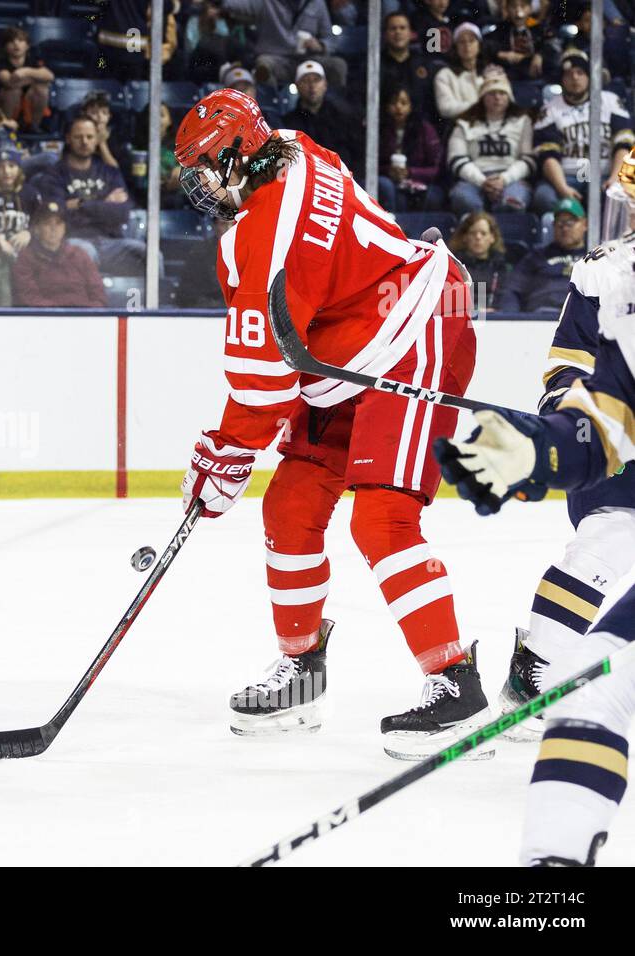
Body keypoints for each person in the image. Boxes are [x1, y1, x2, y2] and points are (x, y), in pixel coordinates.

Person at [173, 88, 484, 756]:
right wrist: (235, 449)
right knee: (289, 505)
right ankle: (302, 670)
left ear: (233, 155)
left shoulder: (265, 240)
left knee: (381, 518)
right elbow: (279, 363)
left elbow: (262, 383)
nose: (200, 184)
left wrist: (225, 457)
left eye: (204, 166)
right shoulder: (289, 146)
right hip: (348, 352)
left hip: (418, 324)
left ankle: (456, 684)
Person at [431, 162, 635, 868]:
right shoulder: (608, 281)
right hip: (620, 460)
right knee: (608, 544)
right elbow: (579, 378)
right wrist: (552, 436)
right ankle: (536, 664)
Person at [33, 115, 143, 276]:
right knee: (85, 252)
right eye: (78, 137)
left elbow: (122, 213)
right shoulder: (54, 175)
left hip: (111, 242)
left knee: (149, 255)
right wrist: (104, 203)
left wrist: (80, 205)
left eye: (89, 137)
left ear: (97, 139)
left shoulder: (109, 172)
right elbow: (58, 215)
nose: (85, 142)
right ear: (68, 139)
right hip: (74, 240)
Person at [532, 49, 634, 214]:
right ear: (562, 79)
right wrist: (562, 188)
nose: (575, 78)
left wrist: (615, 178)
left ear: (589, 76)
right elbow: (547, 155)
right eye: (569, 74)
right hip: (568, 175)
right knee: (544, 197)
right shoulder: (550, 109)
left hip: (606, 172)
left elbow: (624, 142)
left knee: (624, 193)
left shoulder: (609, 100)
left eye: (580, 73)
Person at [447, 71, 535, 215]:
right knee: (463, 199)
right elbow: (455, 159)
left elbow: (529, 160)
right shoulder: (464, 124)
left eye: (502, 93)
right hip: (474, 179)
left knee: (513, 202)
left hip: (511, 178)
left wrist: (504, 179)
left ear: (509, 97)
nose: (497, 98)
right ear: (482, 97)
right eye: (491, 93)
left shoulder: (523, 122)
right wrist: (482, 181)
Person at [221, 0, 345, 88]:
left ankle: (330, 106)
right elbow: (234, 4)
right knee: (263, 64)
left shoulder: (316, 3)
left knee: (338, 65)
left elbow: (330, 38)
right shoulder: (267, 2)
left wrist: (320, 45)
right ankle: (269, 107)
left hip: (306, 59)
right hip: (276, 59)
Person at [497, 198, 589, 313]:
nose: (565, 228)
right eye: (560, 223)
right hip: (543, 316)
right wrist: (510, 320)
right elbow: (512, 290)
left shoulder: (597, 258)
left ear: (585, 224)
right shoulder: (536, 257)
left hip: (583, 317)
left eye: (570, 222)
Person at [11, 201, 106, 308]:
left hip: (85, 318)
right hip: (47, 319)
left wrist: (88, 313)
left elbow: (98, 294)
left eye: (59, 223)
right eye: (47, 223)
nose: (54, 228)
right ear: (37, 228)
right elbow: (29, 298)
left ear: (65, 228)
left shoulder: (80, 255)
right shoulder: (26, 259)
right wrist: (62, 314)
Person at [280, 60, 360, 173]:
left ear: (325, 84)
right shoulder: (288, 123)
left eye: (316, 80)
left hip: (342, 176)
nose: (312, 86)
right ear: (297, 86)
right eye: (306, 81)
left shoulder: (342, 116)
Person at [376, 85, 445, 213]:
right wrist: (388, 171)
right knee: (386, 187)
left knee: (433, 196)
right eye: (393, 102)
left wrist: (410, 172)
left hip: (418, 181)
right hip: (388, 180)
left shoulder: (424, 130)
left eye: (403, 103)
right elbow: (369, 164)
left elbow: (436, 169)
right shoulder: (379, 129)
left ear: (411, 106)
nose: (398, 107)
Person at [379, 11, 437, 126]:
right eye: (393, 28)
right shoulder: (376, 65)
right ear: (385, 34)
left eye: (402, 28)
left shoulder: (423, 64)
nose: (398, 32)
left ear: (411, 33)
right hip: (384, 127)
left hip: (419, 127)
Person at [0, 26, 53, 133]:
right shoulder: (1, 63)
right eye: (11, 41)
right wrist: (35, 78)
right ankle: (7, 128)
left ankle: (34, 126)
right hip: (7, 104)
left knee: (41, 90)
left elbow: (49, 76)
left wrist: (26, 72)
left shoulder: (32, 60)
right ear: (5, 46)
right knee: (13, 92)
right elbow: (9, 82)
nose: (16, 44)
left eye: (20, 40)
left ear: (27, 45)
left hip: (29, 102)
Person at [448, 211, 508, 312]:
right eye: (473, 233)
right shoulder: (454, 265)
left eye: (483, 233)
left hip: (494, 319)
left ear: (492, 238)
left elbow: (505, 297)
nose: (478, 237)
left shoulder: (500, 266)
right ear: (465, 237)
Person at [483, 0, 552, 81]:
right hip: (509, 76)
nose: (518, 11)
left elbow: (551, 42)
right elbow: (487, 43)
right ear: (507, 9)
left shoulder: (539, 28)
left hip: (536, 76)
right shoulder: (502, 28)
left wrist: (540, 55)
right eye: (513, 7)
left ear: (530, 8)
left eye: (522, 6)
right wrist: (499, 53)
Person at [433, 22, 486, 123]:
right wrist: (481, 107)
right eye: (462, 42)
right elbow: (446, 108)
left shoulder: (490, 72)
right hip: (461, 127)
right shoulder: (445, 75)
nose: (467, 45)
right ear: (455, 47)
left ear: (479, 45)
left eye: (471, 41)